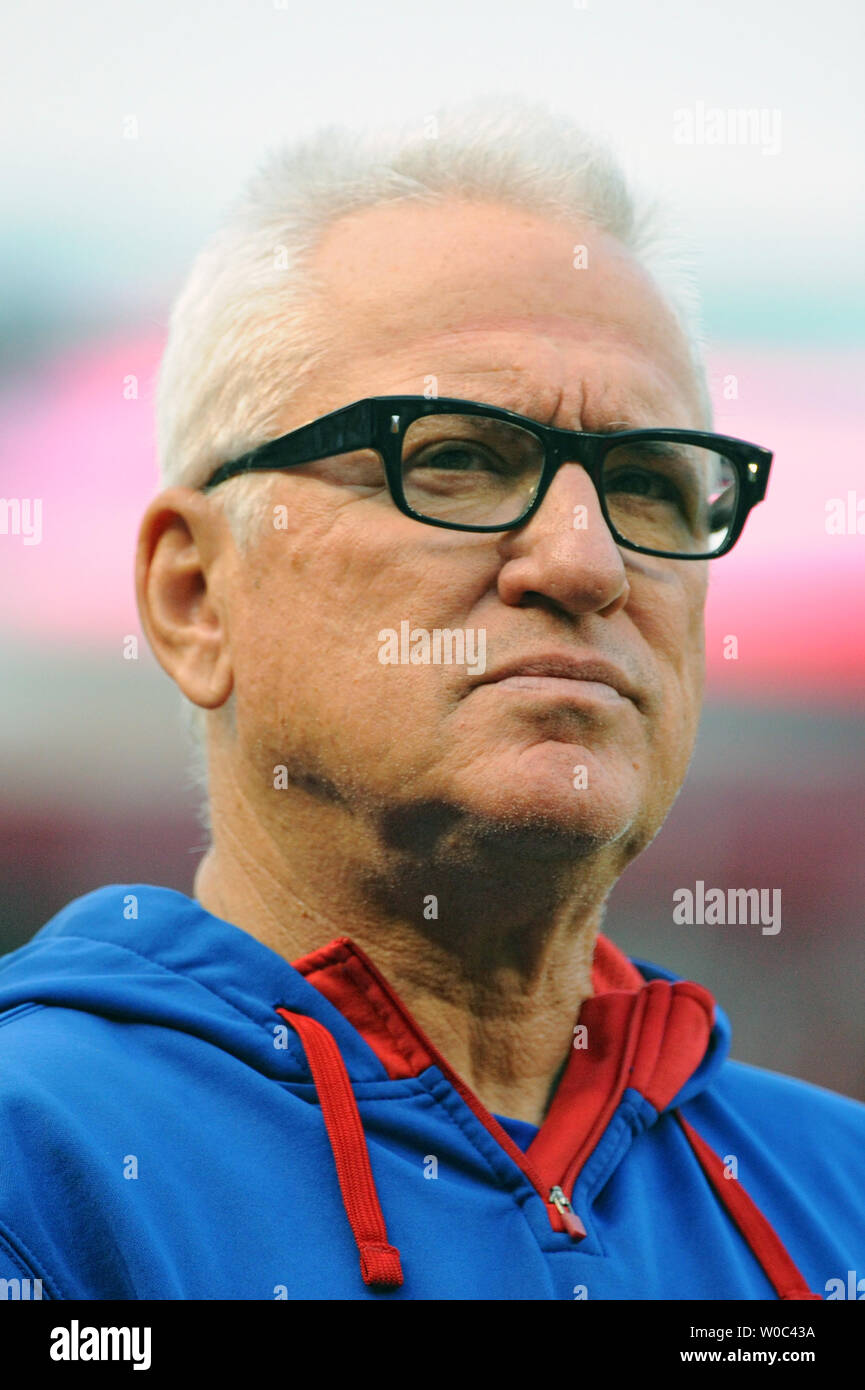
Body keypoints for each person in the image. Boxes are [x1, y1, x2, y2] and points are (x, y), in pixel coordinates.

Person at [1, 97, 861, 1302]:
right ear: (196, 595)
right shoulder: (40, 1169)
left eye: (649, 483)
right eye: (454, 455)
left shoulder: (838, 1197)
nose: (583, 562)